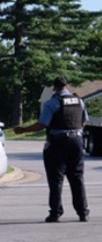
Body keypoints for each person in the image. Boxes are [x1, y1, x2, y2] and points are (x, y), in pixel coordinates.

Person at [12, 76, 90, 223]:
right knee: (77, 178)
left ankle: (55, 213)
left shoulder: (52, 103)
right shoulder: (79, 101)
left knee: (56, 180)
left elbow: (42, 124)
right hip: (77, 142)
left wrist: (22, 130)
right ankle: (83, 212)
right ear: (66, 86)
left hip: (58, 143)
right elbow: (84, 121)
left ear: (54, 88)